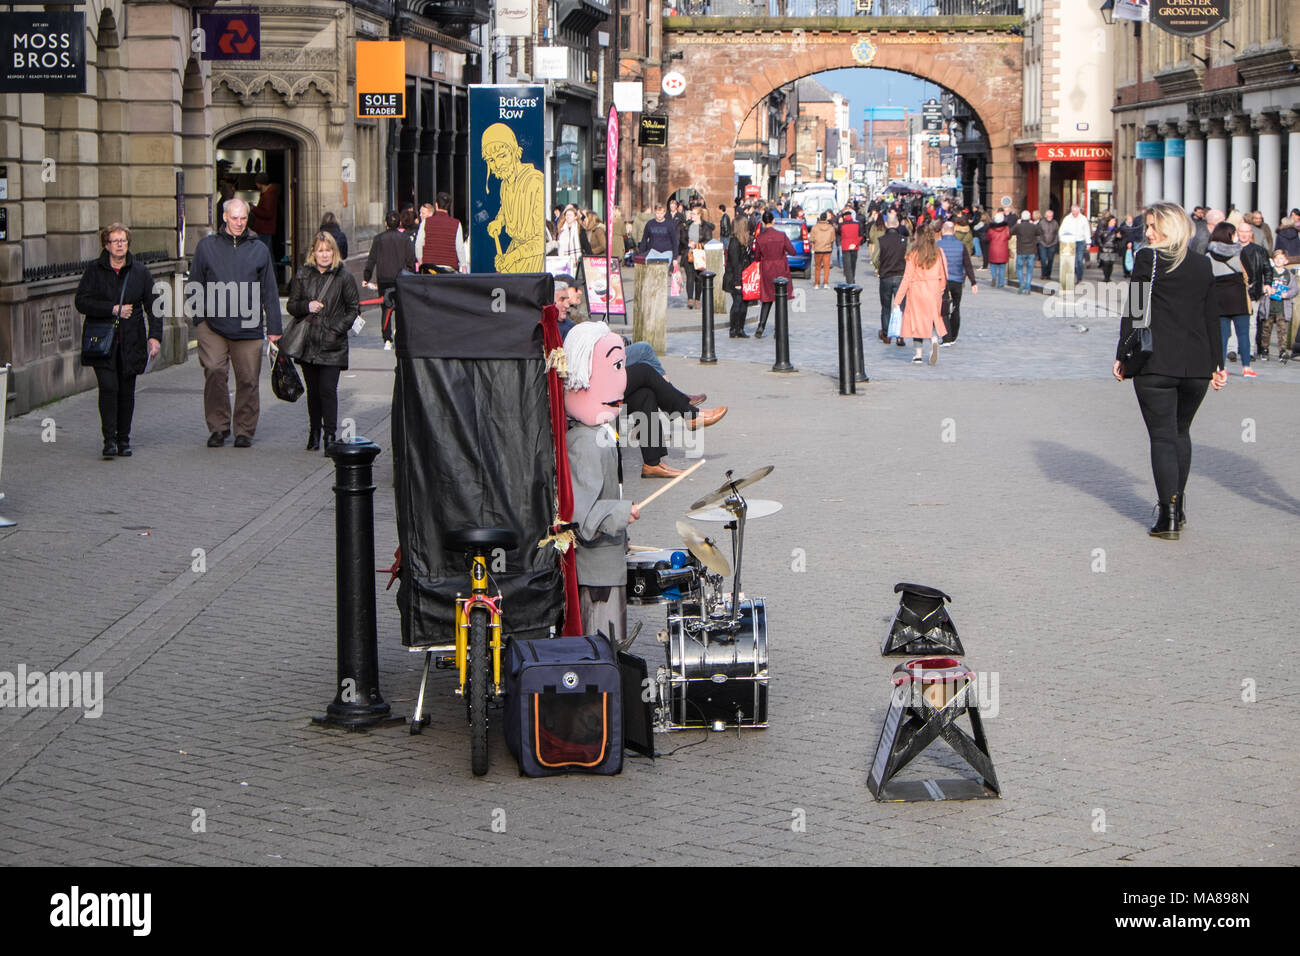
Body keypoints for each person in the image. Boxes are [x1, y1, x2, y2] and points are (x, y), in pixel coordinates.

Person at [1112, 202, 1226, 539]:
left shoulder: (1150, 258)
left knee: (1162, 437)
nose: (1148, 233)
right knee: (1181, 433)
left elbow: (1134, 310)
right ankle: (1177, 506)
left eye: (1152, 226)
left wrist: (1122, 354)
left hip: (1156, 363)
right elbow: (1211, 318)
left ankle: (1169, 516)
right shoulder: (1203, 264)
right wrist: (1217, 364)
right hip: (1196, 367)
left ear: (1169, 228)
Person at [563, 321, 640, 645]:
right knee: (601, 655)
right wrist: (623, 513)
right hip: (596, 573)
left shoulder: (598, 435)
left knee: (610, 653)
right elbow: (582, 516)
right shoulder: (585, 442)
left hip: (606, 566)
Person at [189, 198, 283, 448]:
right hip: (212, 324)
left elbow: (270, 291)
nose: (239, 223)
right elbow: (195, 283)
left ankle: (244, 430)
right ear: (224, 218)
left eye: (243, 218)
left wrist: (274, 328)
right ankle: (218, 427)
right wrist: (199, 318)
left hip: (248, 326)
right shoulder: (206, 247)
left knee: (249, 379)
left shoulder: (259, 249)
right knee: (215, 371)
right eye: (234, 218)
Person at [75, 223, 163, 459]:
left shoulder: (140, 272)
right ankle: (109, 440)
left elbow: (154, 306)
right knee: (108, 387)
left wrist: (155, 336)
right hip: (102, 342)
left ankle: (124, 439)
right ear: (106, 245)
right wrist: (112, 309)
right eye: (115, 241)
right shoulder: (94, 271)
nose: (120, 245)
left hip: (131, 341)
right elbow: (81, 302)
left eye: (123, 240)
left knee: (126, 391)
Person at [285, 231, 360, 453]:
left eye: (328, 250)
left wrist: (336, 329)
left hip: (332, 344)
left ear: (334, 252)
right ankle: (314, 431)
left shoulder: (343, 277)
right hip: (308, 343)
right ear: (313, 253)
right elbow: (291, 305)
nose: (324, 255)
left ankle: (329, 434)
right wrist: (306, 306)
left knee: (328, 390)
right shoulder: (303, 275)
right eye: (320, 250)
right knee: (314, 392)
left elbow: (354, 308)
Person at [482, 123, 545, 272]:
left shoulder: (536, 182)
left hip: (532, 256)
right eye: (491, 160)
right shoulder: (505, 184)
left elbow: (540, 239)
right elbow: (505, 208)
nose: (497, 164)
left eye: (502, 156)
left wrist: (513, 256)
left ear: (515, 152)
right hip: (515, 250)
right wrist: (499, 221)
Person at [893, 225, 948, 365]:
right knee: (932, 319)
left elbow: (907, 277)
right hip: (933, 288)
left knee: (916, 322)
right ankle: (934, 339)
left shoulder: (913, 254)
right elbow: (944, 274)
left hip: (917, 289)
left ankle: (918, 354)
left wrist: (898, 299)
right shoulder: (939, 252)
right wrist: (941, 290)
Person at [1207, 221, 1255, 376]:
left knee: (1221, 335)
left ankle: (1221, 367)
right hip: (1238, 298)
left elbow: (1206, 278)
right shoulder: (1239, 252)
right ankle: (1246, 367)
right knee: (1243, 333)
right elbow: (1250, 274)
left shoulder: (1208, 255)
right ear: (1230, 234)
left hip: (1218, 300)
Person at [363, 211, 417, 346]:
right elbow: (411, 260)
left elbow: (371, 259)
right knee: (400, 307)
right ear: (398, 223)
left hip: (383, 278)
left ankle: (387, 337)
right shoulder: (405, 239)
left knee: (385, 307)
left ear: (386, 223)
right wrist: (411, 273)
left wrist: (367, 276)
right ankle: (398, 333)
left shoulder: (378, 239)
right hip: (399, 278)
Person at [752, 210, 795, 338]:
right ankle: (779, 329)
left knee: (767, 299)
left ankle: (761, 326)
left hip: (767, 269)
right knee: (780, 300)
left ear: (763, 223)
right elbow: (792, 251)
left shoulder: (760, 238)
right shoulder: (781, 235)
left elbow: (757, 257)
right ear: (773, 221)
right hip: (781, 268)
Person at [937, 220, 977, 346]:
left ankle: (946, 336)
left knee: (943, 309)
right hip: (957, 280)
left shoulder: (937, 245)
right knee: (956, 307)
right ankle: (953, 335)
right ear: (953, 231)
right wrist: (973, 282)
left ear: (943, 231)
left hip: (942, 281)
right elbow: (967, 264)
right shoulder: (961, 246)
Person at [1257, 249, 1298, 361]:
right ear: (1273, 260)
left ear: (1286, 261)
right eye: (1276, 258)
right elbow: (1260, 285)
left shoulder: (1289, 275)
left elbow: (1295, 289)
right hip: (1269, 306)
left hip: (1283, 308)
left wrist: (1287, 294)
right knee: (1266, 330)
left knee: (1282, 331)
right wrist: (1265, 290)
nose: (1279, 261)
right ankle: (1264, 349)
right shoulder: (1268, 273)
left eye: (1281, 259)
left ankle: (1282, 351)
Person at [418, 192, 467, 274]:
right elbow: (459, 248)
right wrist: (464, 267)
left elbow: (418, 244)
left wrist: (421, 263)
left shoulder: (426, 222)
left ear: (436, 205)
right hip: (449, 269)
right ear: (449, 207)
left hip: (429, 268)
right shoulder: (456, 224)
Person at [723, 216, 753, 337]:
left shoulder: (745, 241)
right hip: (735, 277)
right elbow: (735, 264)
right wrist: (737, 282)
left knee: (744, 303)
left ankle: (740, 328)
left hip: (745, 276)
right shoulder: (734, 242)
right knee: (737, 303)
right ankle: (733, 329)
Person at [681, 205, 713, 308]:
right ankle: (690, 299)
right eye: (691, 213)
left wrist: (699, 244)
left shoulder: (705, 227)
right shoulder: (687, 225)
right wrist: (687, 243)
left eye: (693, 214)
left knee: (698, 278)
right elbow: (682, 238)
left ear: (699, 215)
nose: (691, 215)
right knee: (689, 276)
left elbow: (708, 239)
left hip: (700, 254)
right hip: (689, 253)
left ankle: (697, 300)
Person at [249, 173, 280, 256]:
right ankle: (270, 269)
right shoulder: (267, 194)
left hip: (265, 229)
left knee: (265, 254)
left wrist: (253, 209)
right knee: (266, 253)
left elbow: (268, 213)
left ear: (259, 183)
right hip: (264, 229)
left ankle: (270, 269)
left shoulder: (268, 195)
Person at [1059, 204, 1091, 283]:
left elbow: (1087, 231)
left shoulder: (1083, 219)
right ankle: (1072, 276)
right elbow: (1062, 230)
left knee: (1079, 260)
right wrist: (1061, 239)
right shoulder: (1067, 219)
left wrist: (1088, 243)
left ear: (1079, 211)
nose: (1074, 213)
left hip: (1080, 241)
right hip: (1070, 242)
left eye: (1076, 211)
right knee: (1071, 261)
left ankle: (1079, 277)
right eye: (1073, 211)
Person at [1011, 210, 1038, 294]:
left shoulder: (1018, 226)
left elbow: (1011, 232)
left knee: (1019, 268)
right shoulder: (1033, 226)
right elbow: (1039, 232)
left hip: (1021, 250)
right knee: (1029, 270)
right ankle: (1028, 287)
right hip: (1031, 250)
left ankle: (1022, 283)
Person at [810, 212, 836, 289]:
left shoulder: (814, 227)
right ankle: (825, 283)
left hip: (818, 249)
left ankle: (816, 283)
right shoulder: (831, 228)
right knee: (826, 267)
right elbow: (832, 239)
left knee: (817, 267)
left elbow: (811, 239)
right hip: (827, 249)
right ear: (826, 219)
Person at [985, 212, 1010, 288]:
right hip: (1003, 249)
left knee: (993, 265)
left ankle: (994, 277)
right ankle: (1001, 283)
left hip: (993, 249)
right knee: (1002, 267)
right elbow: (1008, 236)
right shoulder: (1006, 228)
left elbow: (988, 238)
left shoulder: (991, 229)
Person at [1094, 215, 1122, 283]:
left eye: (1114, 221)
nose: (1114, 222)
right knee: (1105, 263)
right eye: (1112, 221)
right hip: (1104, 248)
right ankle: (1106, 277)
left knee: (1110, 263)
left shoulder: (1116, 230)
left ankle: (1108, 276)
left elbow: (1119, 240)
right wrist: (1101, 246)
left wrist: (1118, 238)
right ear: (1108, 221)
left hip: (1112, 248)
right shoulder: (1103, 228)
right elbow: (1098, 237)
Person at [839, 208, 862, 286]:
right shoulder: (857, 224)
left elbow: (839, 233)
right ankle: (852, 278)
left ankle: (850, 281)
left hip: (845, 246)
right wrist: (856, 243)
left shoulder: (842, 225)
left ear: (844, 217)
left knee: (847, 264)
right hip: (854, 246)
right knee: (853, 264)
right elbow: (861, 235)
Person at [1036, 209, 1059, 280]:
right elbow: (1038, 233)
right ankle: (1043, 274)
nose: (1050, 217)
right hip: (1042, 243)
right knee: (1043, 259)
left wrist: (1055, 242)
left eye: (1051, 216)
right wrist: (1040, 241)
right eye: (1048, 216)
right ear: (1045, 216)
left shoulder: (1055, 223)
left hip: (1052, 244)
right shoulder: (1041, 223)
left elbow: (1057, 233)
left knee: (1050, 259)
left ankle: (1048, 274)